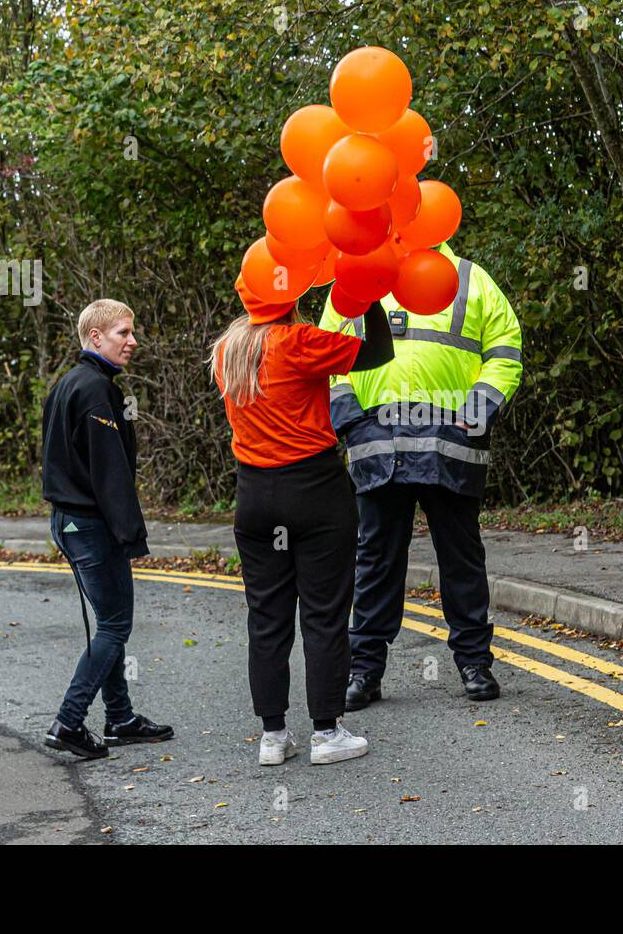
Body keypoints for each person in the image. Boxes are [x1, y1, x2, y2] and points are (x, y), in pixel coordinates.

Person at [319, 241, 523, 709]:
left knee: (461, 559)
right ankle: (364, 670)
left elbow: (505, 351)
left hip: (449, 444)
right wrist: (351, 418)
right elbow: (329, 358)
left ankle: (474, 663)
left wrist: (477, 410)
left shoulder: (470, 279)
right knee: (376, 561)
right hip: (379, 444)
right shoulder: (358, 277)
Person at [211, 274, 393, 765]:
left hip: (254, 494)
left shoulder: (228, 349)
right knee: (323, 614)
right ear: (290, 296)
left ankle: (272, 736)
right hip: (313, 490)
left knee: (266, 618)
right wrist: (368, 297)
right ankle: (326, 732)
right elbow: (377, 353)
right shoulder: (298, 340)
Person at [41, 298, 173, 760]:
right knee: (116, 625)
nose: (133, 341)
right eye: (123, 333)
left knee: (109, 623)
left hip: (68, 521)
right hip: (91, 524)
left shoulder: (67, 385)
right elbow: (110, 472)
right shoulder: (97, 390)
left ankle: (119, 717)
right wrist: (131, 534)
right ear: (95, 337)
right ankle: (69, 721)